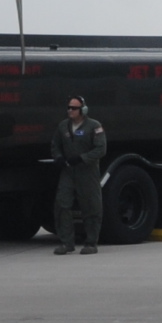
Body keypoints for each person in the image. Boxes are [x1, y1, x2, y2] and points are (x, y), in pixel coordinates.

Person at [52, 95, 108, 253]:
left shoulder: (94, 126)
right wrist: (59, 158)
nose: (70, 110)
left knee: (91, 206)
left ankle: (91, 242)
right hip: (68, 172)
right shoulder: (63, 126)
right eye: (69, 107)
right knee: (62, 204)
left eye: (74, 108)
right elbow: (55, 145)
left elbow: (100, 149)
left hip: (87, 172)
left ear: (83, 109)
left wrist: (82, 158)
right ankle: (66, 243)